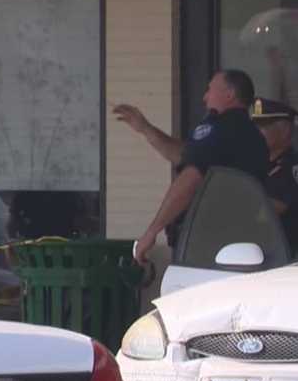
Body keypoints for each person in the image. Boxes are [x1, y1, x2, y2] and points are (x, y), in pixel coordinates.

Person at [114, 70, 269, 263]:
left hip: (209, 243)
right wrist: (146, 129)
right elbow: (185, 155)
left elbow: (191, 176)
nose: (205, 98)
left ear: (229, 94)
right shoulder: (249, 135)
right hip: (236, 243)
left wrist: (152, 231)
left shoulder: (221, 127)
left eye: (210, 90)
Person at [250, 98, 298, 253]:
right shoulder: (257, 163)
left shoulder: (295, 169)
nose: (255, 133)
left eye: (263, 127)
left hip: (283, 256)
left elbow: (264, 213)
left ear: (285, 130)